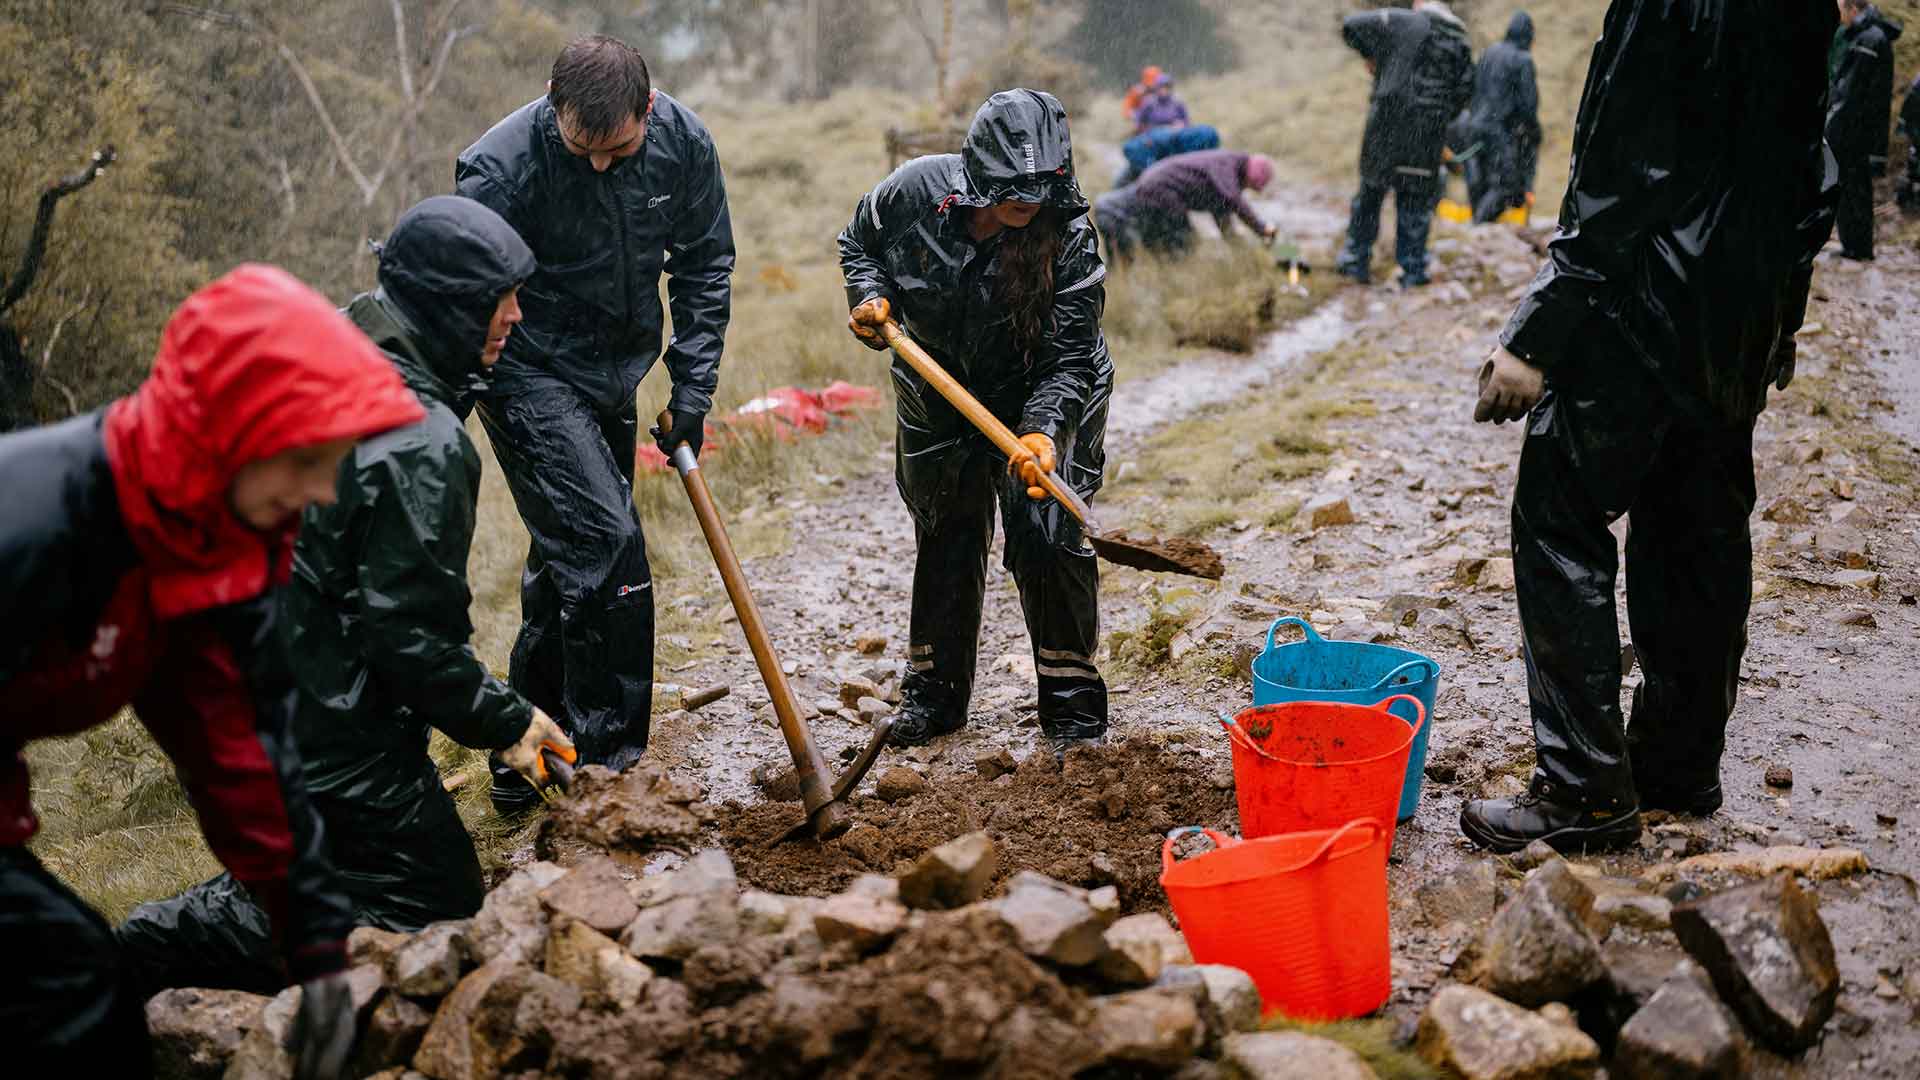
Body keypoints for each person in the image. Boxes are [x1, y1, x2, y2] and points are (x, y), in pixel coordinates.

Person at [114, 198, 580, 999]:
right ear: (444, 304)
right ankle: (134, 957)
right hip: (314, 712)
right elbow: (410, 642)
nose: (516, 314)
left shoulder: (330, 341)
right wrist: (511, 724)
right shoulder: (423, 443)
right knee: (429, 909)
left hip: (224, 661)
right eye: (498, 297)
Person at [0, 265, 427, 1075]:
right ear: (226, 435)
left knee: (78, 979)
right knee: (60, 983)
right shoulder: (30, 526)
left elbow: (246, 756)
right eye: (307, 459)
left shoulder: (210, 547)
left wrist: (318, 953)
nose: (327, 491)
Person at [1461, 0, 1838, 853]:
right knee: (1696, 530)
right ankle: (1677, 762)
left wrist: (1537, 333)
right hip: (1737, 310)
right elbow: (1812, 174)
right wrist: (1780, 320)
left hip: (1643, 303)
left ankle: (1584, 789)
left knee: (1557, 516)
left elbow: (1619, 167)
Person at [455, 34, 735, 815]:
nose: (601, 164)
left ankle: (528, 761)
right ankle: (611, 776)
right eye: (583, 147)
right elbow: (464, 301)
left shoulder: (683, 144)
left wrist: (693, 389)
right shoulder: (499, 170)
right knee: (610, 551)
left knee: (567, 558)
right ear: (554, 100)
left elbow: (706, 264)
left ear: (648, 109)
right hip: (525, 369)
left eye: (619, 148)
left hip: (616, 366)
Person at [838, 89, 1113, 758]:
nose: (1028, 201)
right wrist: (868, 296)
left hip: (1043, 389)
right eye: (1013, 188)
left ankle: (1072, 714)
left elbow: (1070, 357)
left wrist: (1043, 430)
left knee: (1046, 529)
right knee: (946, 524)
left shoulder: (1068, 238)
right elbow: (858, 242)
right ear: (979, 171)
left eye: (1041, 187)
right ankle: (935, 696)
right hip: (936, 385)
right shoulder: (910, 192)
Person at [1334, 0, 1474, 287]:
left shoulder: (1403, 22)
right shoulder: (1460, 43)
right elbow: (1465, 93)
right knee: (1415, 201)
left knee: (1371, 194)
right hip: (1427, 136)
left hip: (1387, 124)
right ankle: (1413, 271)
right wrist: (1438, 114)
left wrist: (1372, 55)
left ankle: (1355, 263)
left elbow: (1351, 25)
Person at [1094, 150, 1278, 262]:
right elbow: (1233, 199)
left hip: (1159, 189)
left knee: (1169, 242)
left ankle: (1166, 271)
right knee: (1183, 241)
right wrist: (1262, 229)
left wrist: (1243, 253)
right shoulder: (1227, 164)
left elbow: (1224, 218)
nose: (1245, 189)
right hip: (1159, 188)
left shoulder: (1225, 180)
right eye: (1248, 185)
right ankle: (1173, 277)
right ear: (1249, 174)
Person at [1827, 0, 1901, 260]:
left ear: (1852, 10)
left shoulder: (1868, 39)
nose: (1839, 17)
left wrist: (1831, 124)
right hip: (1858, 128)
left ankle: (1858, 248)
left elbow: (1851, 92)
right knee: (1852, 188)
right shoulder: (1867, 36)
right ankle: (1854, 246)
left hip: (1856, 130)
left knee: (1854, 189)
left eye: (1841, 11)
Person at [1467, 11, 1542, 224]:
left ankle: (1479, 231)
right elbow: (1528, 104)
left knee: (1480, 183)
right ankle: (1478, 228)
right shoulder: (1522, 59)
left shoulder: (1488, 53)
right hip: (1499, 131)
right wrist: (1533, 133)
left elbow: (1472, 88)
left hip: (1474, 127)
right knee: (1506, 185)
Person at [1899, 73, 1920, 211]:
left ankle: (1906, 194)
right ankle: (1907, 195)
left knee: (1915, 156)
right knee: (1915, 156)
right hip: (1914, 120)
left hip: (1912, 120)